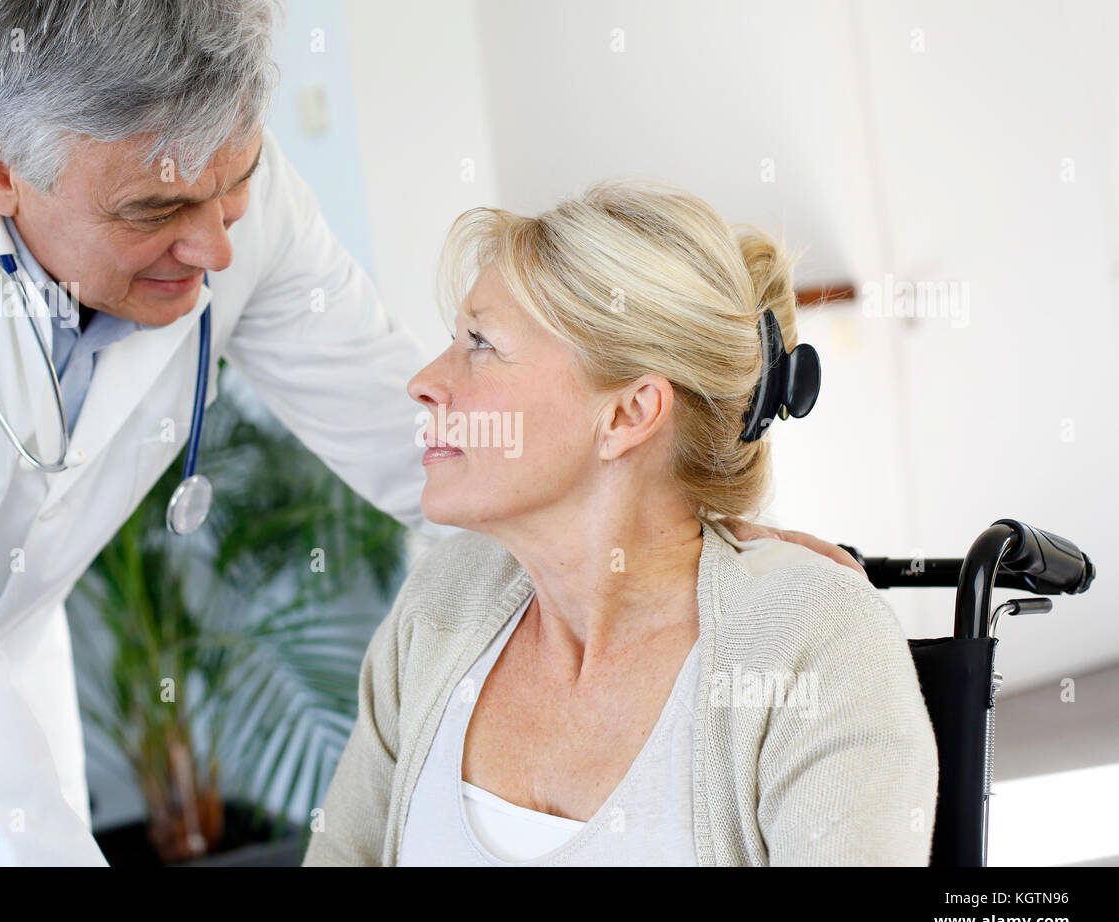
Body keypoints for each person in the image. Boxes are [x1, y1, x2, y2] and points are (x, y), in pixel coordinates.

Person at [0, 0, 868, 866]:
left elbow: (419, 441)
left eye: (235, 183)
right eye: (155, 210)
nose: (218, 245)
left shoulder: (231, 207)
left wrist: (693, 546)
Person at [302, 179, 940, 866]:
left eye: (481, 343)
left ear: (628, 414)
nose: (423, 379)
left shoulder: (813, 642)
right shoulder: (442, 605)